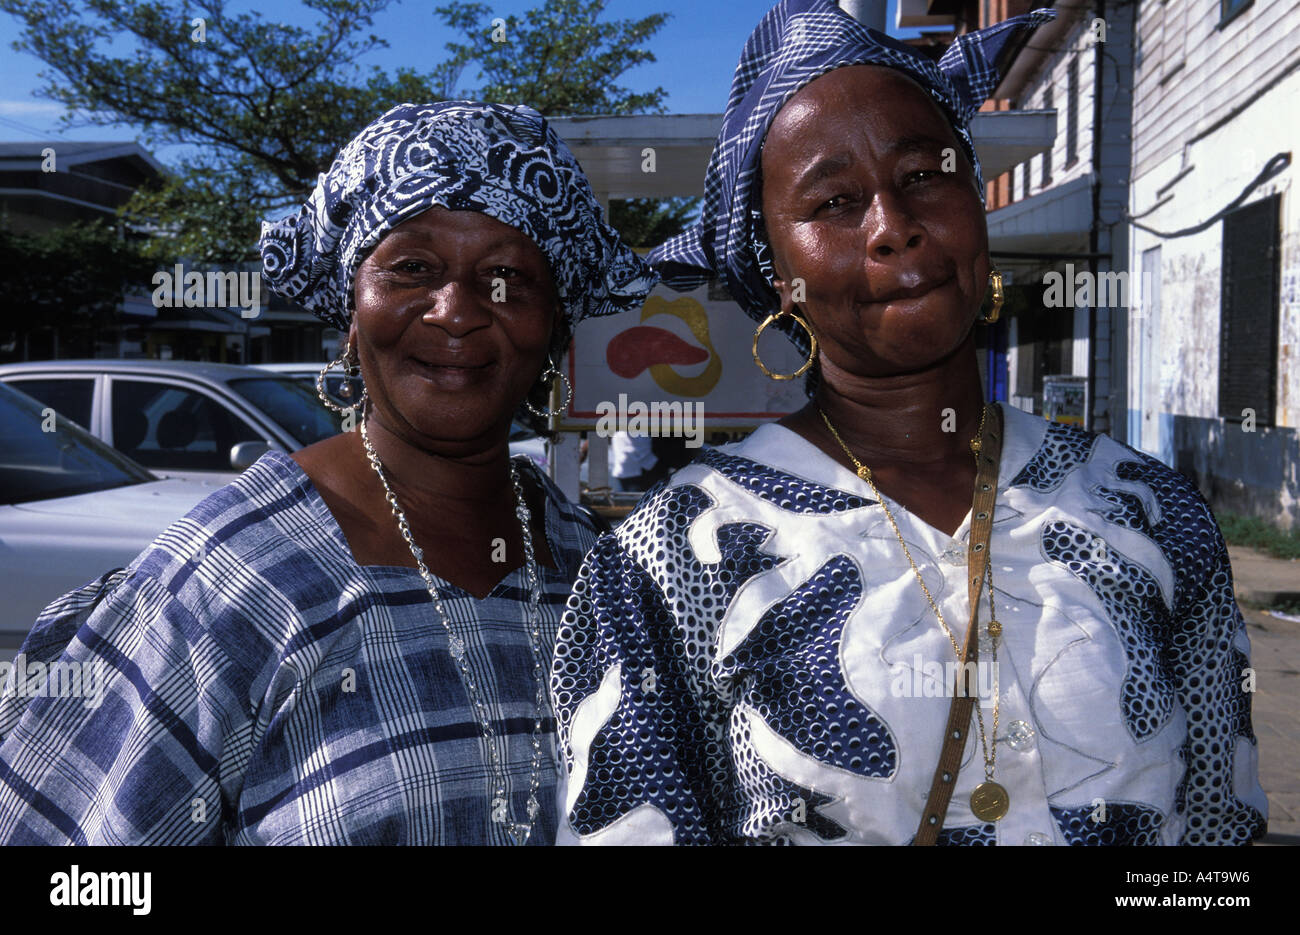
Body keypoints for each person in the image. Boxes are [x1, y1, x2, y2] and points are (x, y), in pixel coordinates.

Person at [549, 0, 1268, 845]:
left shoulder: (1149, 511)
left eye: (925, 174)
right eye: (834, 202)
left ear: (976, 198)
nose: (893, 227)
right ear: (779, 275)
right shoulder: (667, 563)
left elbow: (1220, 835)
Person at [0, 101, 655, 845]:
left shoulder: (600, 574)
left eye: (507, 277)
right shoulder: (236, 572)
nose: (457, 311)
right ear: (351, 308)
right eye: (413, 268)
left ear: (556, 327)